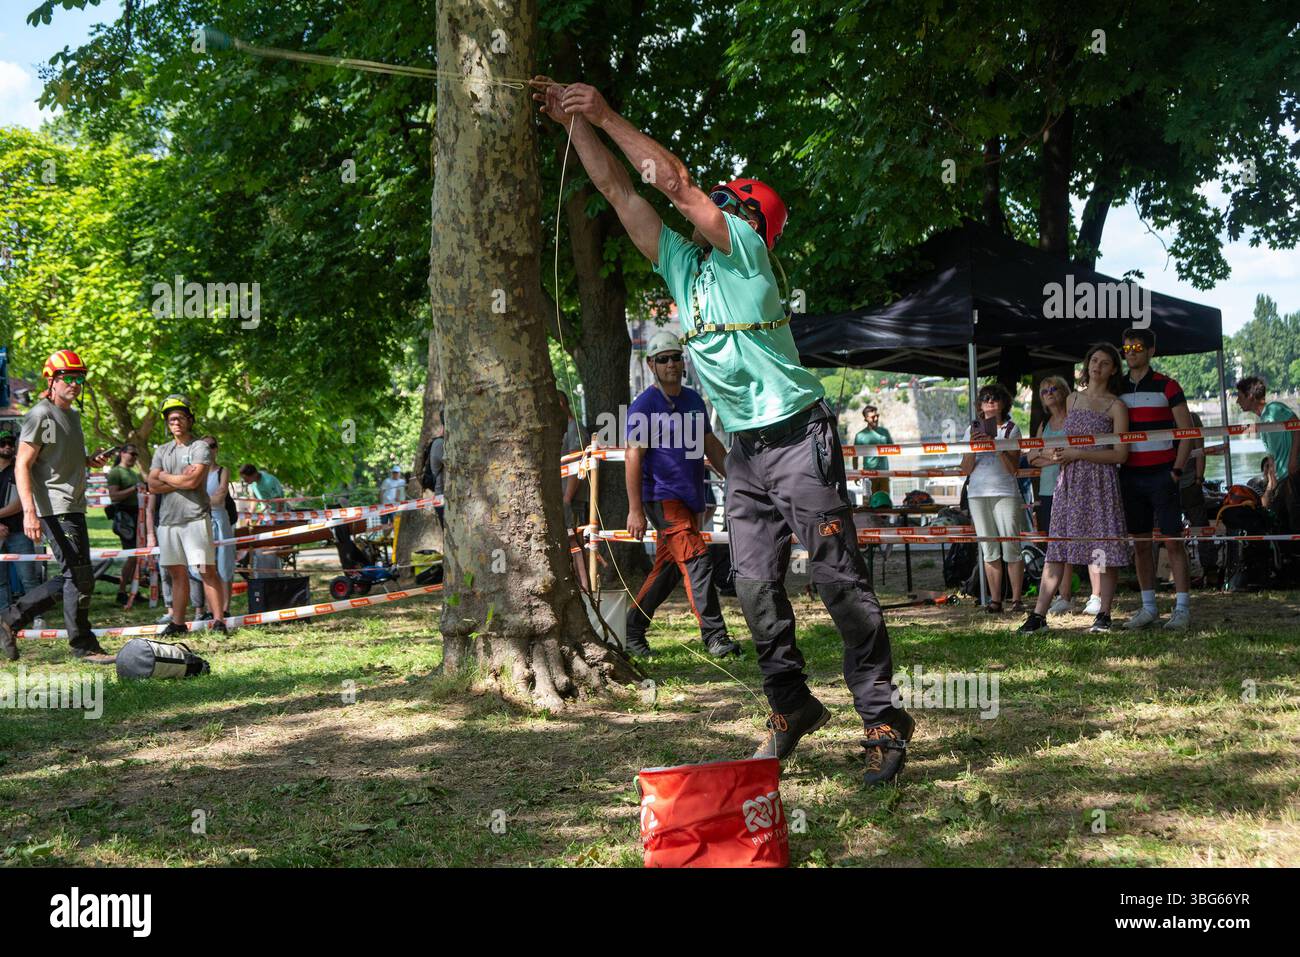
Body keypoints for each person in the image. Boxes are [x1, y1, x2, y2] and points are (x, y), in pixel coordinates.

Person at [532, 76, 911, 784]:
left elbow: (673, 184)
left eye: (728, 203)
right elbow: (620, 191)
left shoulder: (747, 256)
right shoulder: (684, 268)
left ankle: (883, 717)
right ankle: (791, 706)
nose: (713, 208)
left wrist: (606, 111)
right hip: (745, 453)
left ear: (749, 223)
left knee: (838, 580)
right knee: (755, 588)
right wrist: (573, 125)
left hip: (798, 438)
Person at [623, 329, 740, 659]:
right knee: (697, 559)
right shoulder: (644, 406)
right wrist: (635, 510)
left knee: (669, 568)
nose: (671, 364)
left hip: (691, 498)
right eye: (663, 359)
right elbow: (633, 456)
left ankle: (631, 629)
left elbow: (711, 446)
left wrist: (737, 480)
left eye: (676, 357)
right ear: (651, 365)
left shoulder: (693, 401)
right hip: (662, 497)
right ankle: (715, 637)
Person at [0, 350, 116, 663]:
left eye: (80, 378)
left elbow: (59, 457)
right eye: (68, 378)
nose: (75, 384)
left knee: (78, 576)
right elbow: (22, 464)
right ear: (51, 380)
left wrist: (90, 461)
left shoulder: (73, 416)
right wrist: (29, 511)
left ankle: (10, 620)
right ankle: (83, 646)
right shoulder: (40, 414)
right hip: (54, 507)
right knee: (78, 576)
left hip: (74, 505)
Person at [1019, 344, 1133, 634]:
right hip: (1069, 481)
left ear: (1114, 369)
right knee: (1057, 546)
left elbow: (1120, 454)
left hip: (1100, 482)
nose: (1097, 366)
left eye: (1105, 362)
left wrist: (1079, 453)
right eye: (1094, 360)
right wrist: (1058, 454)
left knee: (1102, 548)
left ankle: (1104, 613)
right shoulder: (1072, 399)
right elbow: (1067, 441)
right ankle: (1038, 615)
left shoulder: (1116, 406)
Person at [1118, 328, 1193, 630]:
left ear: (1151, 351)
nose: (1131, 352)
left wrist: (1176, 471)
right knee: (1140, 545)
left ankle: (1183, 608)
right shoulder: (1117, 387)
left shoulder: (1168, 385)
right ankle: (1148, 607)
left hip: (1163, 474)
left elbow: (1187, 432)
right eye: (1126, 348)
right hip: (1130, 476)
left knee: (1173, 542)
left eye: (1137, 347)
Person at [147, 395, 227, 637]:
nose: (176, 423)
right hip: (167, 522)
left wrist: (164, 476)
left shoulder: (200, 447)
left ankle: (219, 621)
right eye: (171, 419)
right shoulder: (162, 450)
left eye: (181, 418)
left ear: (190, 420)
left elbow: (193, 482)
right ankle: (178, 624)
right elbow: (152, 485)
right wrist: (178, 478)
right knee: (177, 573)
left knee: (205, 570)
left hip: (195, 518)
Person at [959, 382, 1026, 613]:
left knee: (1011, 546)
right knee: (989, 549)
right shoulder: (971, 429)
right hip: (978, 493)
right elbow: (965, 469)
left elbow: (1013, 468)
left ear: (1004, 403)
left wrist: (995, 446)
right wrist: (972, 447)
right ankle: (995, 600)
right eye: (985, 398)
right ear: (979, 404)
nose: (990, 402)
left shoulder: (1012, 429)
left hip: (1005, 492)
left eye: (995, 398)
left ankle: (1016, 599)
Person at [1026, 375, 1077, 614]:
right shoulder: (1044, 423)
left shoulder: (1073, 419)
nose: (1048, 393)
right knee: (1052, 544)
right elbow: (1031, 457)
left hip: (1071, 488)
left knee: (1068, 542)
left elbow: (1074, 451)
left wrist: (1045, 454)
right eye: (1044, 391)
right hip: (1047, 489)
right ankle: (1057, 594)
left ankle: (1066, 595)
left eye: (1053, 389)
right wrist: (1054, 457)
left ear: (1064, 391)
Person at [1235, 376, 1300, 532]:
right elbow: (1271, 456)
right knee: (1279, 523)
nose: (1237, 401)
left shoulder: (1274, 409)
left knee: (1295, 522)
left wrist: (1293, 459)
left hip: (1292, 474)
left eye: (1240, 396)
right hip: (1281, 478)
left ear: (1250, 396)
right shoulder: (1263, 423)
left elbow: (1297, 426)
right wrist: (1270, 483)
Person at [0, 431, 44, 618]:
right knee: (0, 582)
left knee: (28, 578)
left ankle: (37, 618)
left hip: (19, 531)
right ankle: (5, 620)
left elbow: (19, 504)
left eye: (11, 443)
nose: (7, 446)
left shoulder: (19, 469)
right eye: (2, 443)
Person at [105, 444, 145, 606]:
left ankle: (133, 590)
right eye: (132, 453)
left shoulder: (133, 473)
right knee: (132, 556)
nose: (134, 457)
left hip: (137, 517)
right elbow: (114, 496)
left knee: (137, 557)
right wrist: (133, 489)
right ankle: (122, 592)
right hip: (125, 519)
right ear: (122, 453)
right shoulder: (116, 472)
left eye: (136, 454)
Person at [202, 435, 235, 619]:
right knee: (205, 566)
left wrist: (200, 501)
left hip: (220, 521)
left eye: (212, 446)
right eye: (205, 446)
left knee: (224, 564)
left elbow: (220, 498)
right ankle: (210, 609)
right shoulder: (195, 472)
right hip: (201, 521)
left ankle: (225, 608)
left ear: (217, 449)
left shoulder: (223, 471)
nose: (209, 450)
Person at [852, 404, 893, 496]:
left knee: (885, 500)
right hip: (868, 475)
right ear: (866, 419)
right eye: (873, 417)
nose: (876, 419)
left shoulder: (884, 432)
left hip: (884, 474)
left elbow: (895, 450)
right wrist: (855, 474)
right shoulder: (860, 436)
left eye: (877, 416)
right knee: (868, 500)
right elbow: (855, 457)